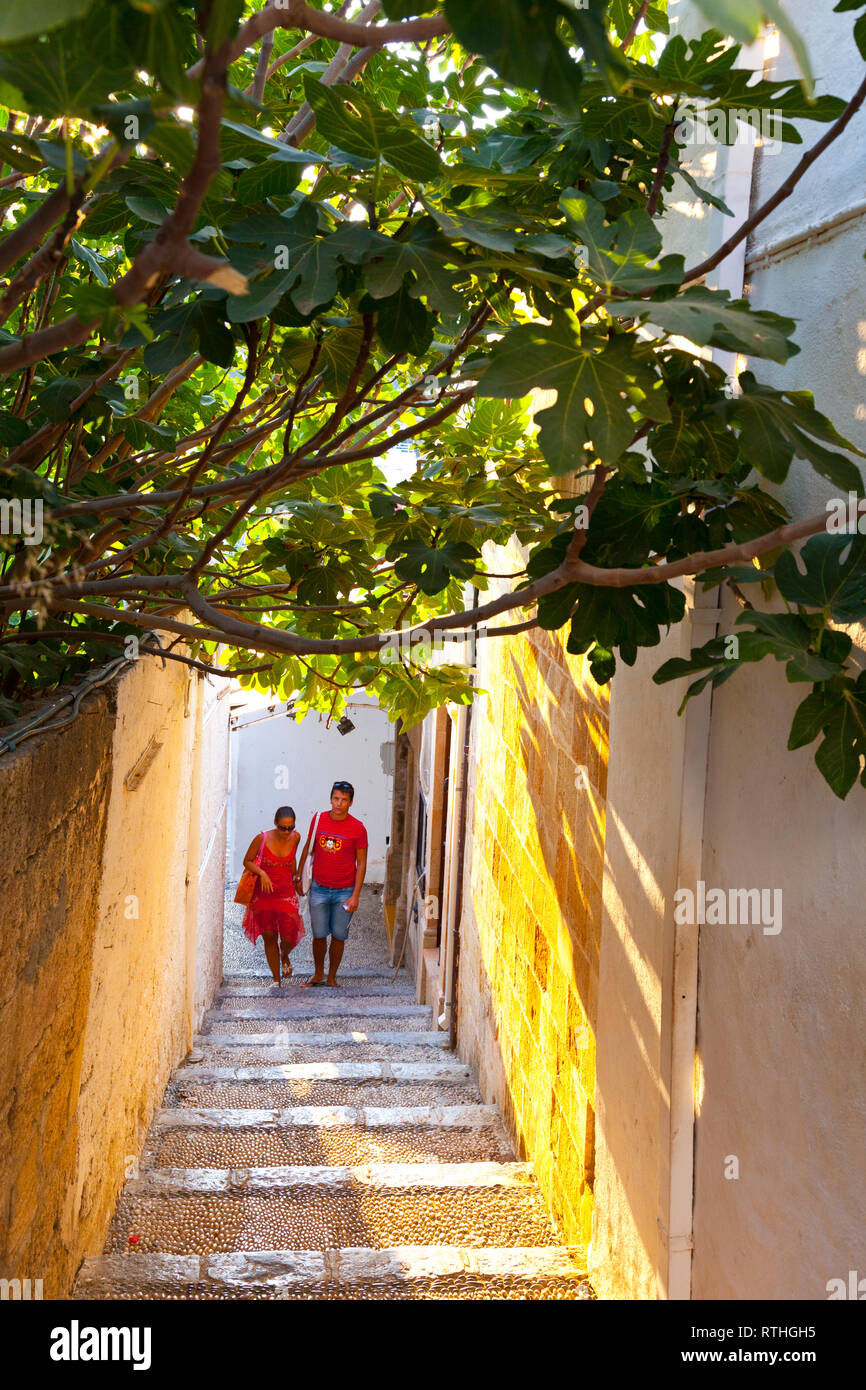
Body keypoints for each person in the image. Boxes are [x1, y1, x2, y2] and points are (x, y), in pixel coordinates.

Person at [295, 780, 367, 987]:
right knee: (318, 935)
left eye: (344, 800)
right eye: (336, 799)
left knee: (338, 936)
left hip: (344, 891)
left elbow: (361, 863)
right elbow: (308, 849)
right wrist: (299, 876)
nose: (339, 804)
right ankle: (318, 973)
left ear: (351, 803)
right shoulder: (318, 820)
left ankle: (333, 977)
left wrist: (355, 895)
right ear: (330, 799)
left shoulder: (358, 829)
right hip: (319, 888)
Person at [241, 806, 305, 990]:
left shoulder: (296, 837)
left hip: (286, 892)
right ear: (275, 823)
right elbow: (247, 861)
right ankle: (276, 979)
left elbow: (292, 859)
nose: (287, 832)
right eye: (283, 827)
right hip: (264, 894)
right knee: (269, 936)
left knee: (289, 934)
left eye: (290, 827)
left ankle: (285, 955)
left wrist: (297, 880)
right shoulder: (261, 838)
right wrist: (262, 873)